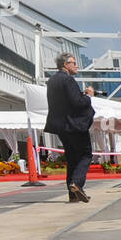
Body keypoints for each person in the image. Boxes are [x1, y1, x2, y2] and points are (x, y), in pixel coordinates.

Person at [45, 52, 95, 202]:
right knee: (86, 154)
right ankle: (77, 184)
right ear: (65, 65)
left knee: (72, 157)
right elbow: (77, 103)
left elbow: (64, 101)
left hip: (60, 125)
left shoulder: (52, 80)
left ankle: (73, 194)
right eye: (74, 63)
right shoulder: (68, 80)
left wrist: (80, 94)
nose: (76, 65)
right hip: (74, 125)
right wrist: (88, 97)